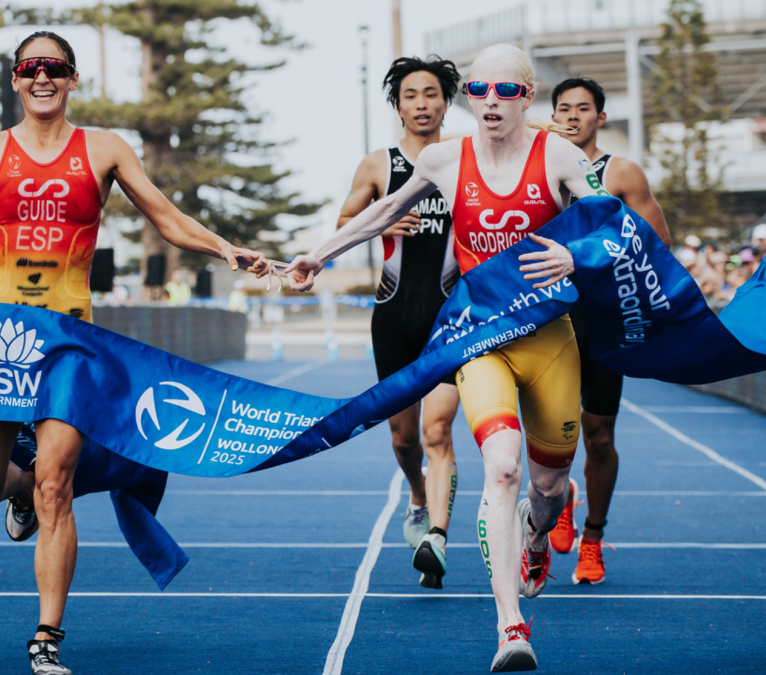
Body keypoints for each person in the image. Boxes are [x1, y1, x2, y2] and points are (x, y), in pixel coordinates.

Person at [0, 32, 266, 675]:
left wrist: (224, 248)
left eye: (55, 68)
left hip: (70, 340)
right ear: (17, 80)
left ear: (73, 79)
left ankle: (46, 638)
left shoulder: (104, 149)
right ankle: (18, 494)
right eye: (31, 68)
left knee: (58, 483)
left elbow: (165, 217)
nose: (43, 78)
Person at [287, 43, 612, 672]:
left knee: (543, 490)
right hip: (478, 338)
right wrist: (320, 255)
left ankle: (542, 527)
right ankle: (510, 628)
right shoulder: (443, 159)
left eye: (507, 92)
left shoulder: (560, 156)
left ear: (527, 95)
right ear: (469, 96)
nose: (492, 102)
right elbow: (383, 210)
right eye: (481, 91)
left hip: (549, 343)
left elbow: (611, 219)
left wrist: (578, 255)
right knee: (502, 466)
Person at [336, 55, 462, 589]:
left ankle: (436, 534)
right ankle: (417, 496)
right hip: (392, 315)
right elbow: (343, 224)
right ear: (398, 106)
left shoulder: (466, 160)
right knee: (404, 437)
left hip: (451, 316)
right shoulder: (378, 164)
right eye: (411, 95)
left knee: (438, 430)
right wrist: (384, 218)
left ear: (445, 102)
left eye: (431, 94)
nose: (422, 104)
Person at [548, 77, 671, 584]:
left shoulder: (620, 172)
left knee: (598, 437)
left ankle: (593, 540)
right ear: (552, 116)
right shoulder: (536, 170)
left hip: (603, 320)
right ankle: (559, 495)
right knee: (551, 436)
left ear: (601, 117)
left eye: (583, 109)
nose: (573, 116)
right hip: (548, 319)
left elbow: (658, 243)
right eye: (563, 109)